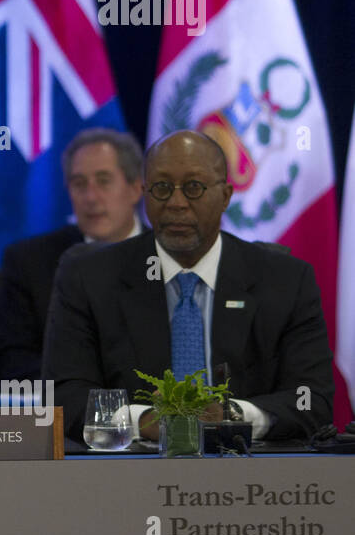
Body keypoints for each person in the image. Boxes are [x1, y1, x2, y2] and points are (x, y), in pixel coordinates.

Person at [43, 130, 334, 442]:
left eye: (193, 188)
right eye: (162, 188)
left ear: (225, 196)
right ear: (144, 193)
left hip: (250, 478)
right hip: (128, 477)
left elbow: (312, 400)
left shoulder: (285, 280)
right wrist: (141, 420)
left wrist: (232, 416)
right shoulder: (89, 279)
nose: (176, 203)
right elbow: (64, 397)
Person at [0, 128, 144, 381]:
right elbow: (11, 366)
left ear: (136, 188)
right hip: (64, 413)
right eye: (79, 184)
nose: (90, 197)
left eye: (104, 181)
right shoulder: (29, 262)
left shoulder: (167, 254)